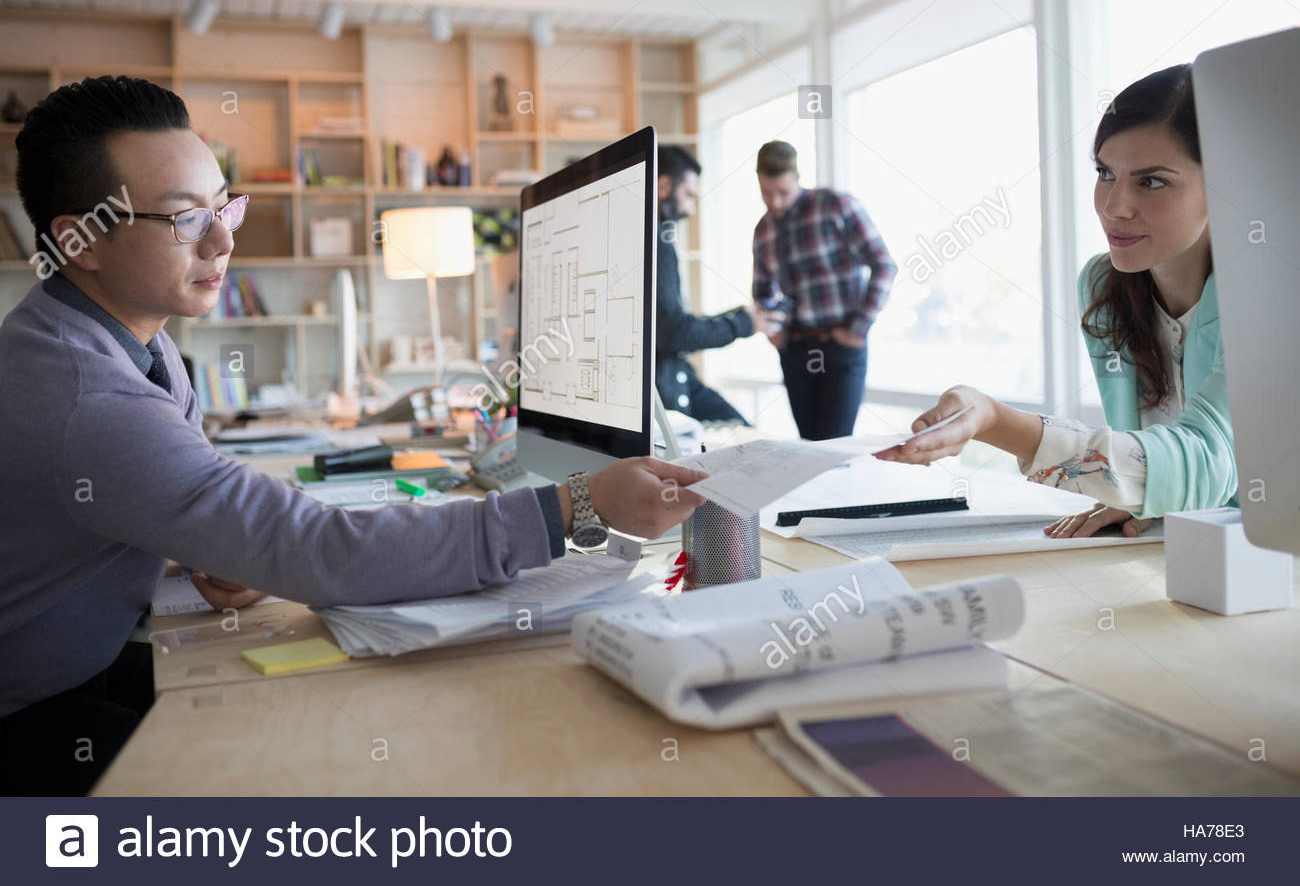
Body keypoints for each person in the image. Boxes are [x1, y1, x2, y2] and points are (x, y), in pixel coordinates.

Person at [0, 76, 707, 794]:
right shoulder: (89, 397)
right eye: (185, 219)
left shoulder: (127, 344)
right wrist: (581, 505)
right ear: (80, 242)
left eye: (223, 207)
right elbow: (315, 549)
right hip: (32, 714)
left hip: (82, 663)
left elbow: (175, 509)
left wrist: (210, 549)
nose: (223, 240)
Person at [875, 64, 1235, 538]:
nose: (1113, 207)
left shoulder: (1268, 297)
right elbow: (1159, 465)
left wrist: (994, 421)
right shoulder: (1105, 286)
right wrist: (1139, 491)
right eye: (1105, 173)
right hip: (1186, 551)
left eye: (1151, 181)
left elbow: (1208, 465)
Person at [752, 141, 897, 441]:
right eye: (766, 193)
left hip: (841, 345)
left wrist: (858, 328)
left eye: (783, 192)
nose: (775, 202)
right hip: (795, 350)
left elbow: (884, 265)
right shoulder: (763, 230)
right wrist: (774, 333)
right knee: (809, 447)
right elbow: (762, 292)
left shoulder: (836, 206)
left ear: (797, 178)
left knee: (834, 448)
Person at [654, 145, 773, 423]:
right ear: (663, 186)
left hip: (677, 375)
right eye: (688, 195)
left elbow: (667, 326)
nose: (691, 209)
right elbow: (676, 333)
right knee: (744, 434)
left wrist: (738, 317)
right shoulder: (657, 243)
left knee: (742, 429)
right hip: (665, 387)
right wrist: (743, 324)